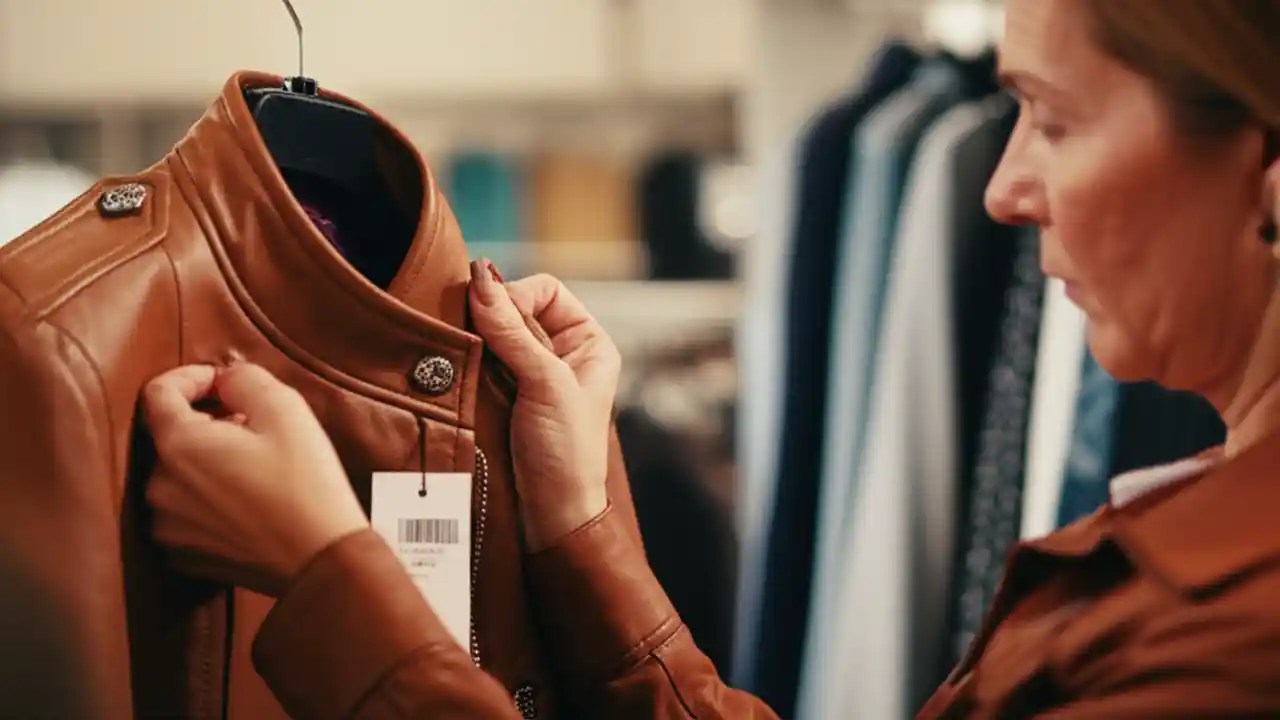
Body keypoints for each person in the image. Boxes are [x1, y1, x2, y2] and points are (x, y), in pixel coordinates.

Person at [142, 0, 1280, 716]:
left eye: (1057, 121)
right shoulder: (1189, 538)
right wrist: (578, 526)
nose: (1003, 190)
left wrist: (333, 583)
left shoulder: (1231, 640)